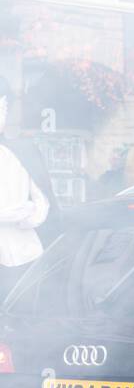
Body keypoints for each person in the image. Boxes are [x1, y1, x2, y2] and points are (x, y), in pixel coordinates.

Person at [0, 76, 53, 293]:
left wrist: (32, 213)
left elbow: (44, 201)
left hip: (26, 255)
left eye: (2, 106)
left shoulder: (24, 152)